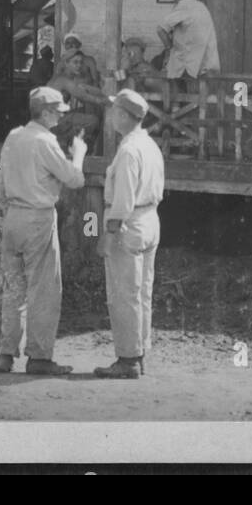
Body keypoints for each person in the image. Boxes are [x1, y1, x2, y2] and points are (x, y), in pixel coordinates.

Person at [0, 86, 87, 376]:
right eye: (58, 112)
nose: (60, 117)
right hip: (37, 217)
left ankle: (6, 354)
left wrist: (7, 209)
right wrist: (79, 154)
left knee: (13, 290)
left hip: (12, 217)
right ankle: (39, 357)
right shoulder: (44, 141)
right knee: (43, 289)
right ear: (45, 112)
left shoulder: (13, 136)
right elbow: (74, 180)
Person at [94, 90, 166, 380]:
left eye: (114, 111)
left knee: (123, 294)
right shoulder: (148, 144)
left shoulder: (127, 151)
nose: (110, 116)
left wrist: (108, 234)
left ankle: (128, 359)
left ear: (124, 115)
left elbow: (122, 201)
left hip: (128, 222)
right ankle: (139, 352)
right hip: (150, 219)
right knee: (142, 292)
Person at [157, 0, 220, 96]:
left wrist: (168, 48)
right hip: (206, 63)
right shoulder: (200, 6)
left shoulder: (184, 5)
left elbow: (160, 29)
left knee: (184, 99)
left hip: (188, 66)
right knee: (200, 102)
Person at [47, 49, 107, 145]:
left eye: (81, 62)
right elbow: (83, 96)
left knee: (84, 110)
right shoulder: (62, 79)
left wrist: (101, 94)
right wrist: (101, 101)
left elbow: (81, 92)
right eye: (75, 62)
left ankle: (68, 142)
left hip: (54, 118)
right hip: (52, 122)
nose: (79, 66)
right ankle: (63, 141)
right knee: (93, 121)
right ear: (66, 63)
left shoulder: (69, 79)